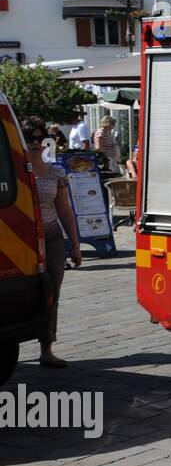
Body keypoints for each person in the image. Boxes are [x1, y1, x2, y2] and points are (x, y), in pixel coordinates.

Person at [22, 117, 81, 368]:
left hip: (53, 237)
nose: (36, 143)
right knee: (23, 292)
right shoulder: (17, 170)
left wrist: (75, 245)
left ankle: (47, 347)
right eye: (30, 138)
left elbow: (65, 210)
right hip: (23, 240)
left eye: (39, 138)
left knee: (51, 293)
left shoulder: (56, 171)